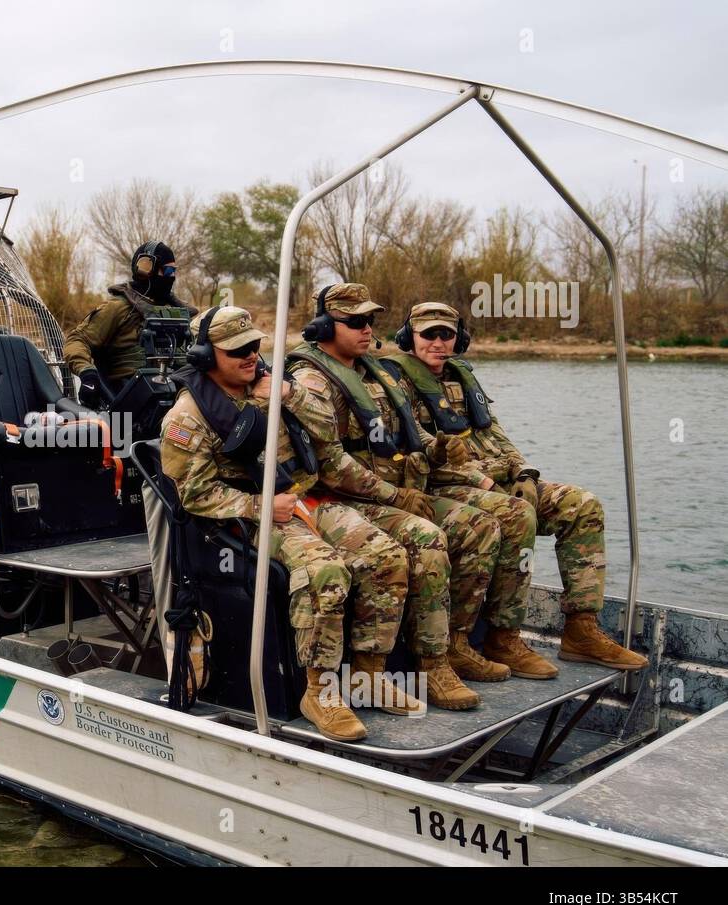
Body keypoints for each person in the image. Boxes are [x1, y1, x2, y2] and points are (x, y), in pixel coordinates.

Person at [160, 305, 419, 743]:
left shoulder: (271, 384)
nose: (249, 356)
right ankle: (319, 692)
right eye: (236, 350)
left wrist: (287, 394)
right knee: (325, 570)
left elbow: (326, 430)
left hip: (304, 499)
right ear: (206, 356)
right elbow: (193, 494)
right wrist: (261, 506)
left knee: (385, 556)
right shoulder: (188, 417)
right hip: (247, 518)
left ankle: (369, 676)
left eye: (254, 347)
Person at [384, 301, 648, 674]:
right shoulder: (397, 383)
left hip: (498, 481)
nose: (439, 342)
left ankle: (581, 629)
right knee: (516, 513)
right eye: (429, 334)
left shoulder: (462, 377)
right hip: (442, 487)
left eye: (447, 334)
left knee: (581, 504)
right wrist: (489, 482)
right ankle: (501, 635)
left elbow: (496, 434)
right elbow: (420, 446)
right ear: (408, 337)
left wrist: (525, 474)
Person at [287, 283, 495, 711]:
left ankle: (445, 653)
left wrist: (437, 449)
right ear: (325, 327)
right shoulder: (312, 380)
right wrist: (395, 496)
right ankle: (375, 671)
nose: (367, 329)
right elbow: (330, 466)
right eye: (356, 322)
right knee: (426, 540)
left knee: (480, 526)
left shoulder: (374, 372)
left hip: (395, 493)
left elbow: (406, 435)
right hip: (336, 499)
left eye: (371, 321)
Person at [64, 240, 197, 406]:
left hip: (180, 396)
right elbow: (76, 340)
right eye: (168, 270)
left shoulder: (178, 312)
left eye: (174, 271)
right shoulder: (119, 308)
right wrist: (87, 373)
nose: (171, 276)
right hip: (133, 402)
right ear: (146, 269)